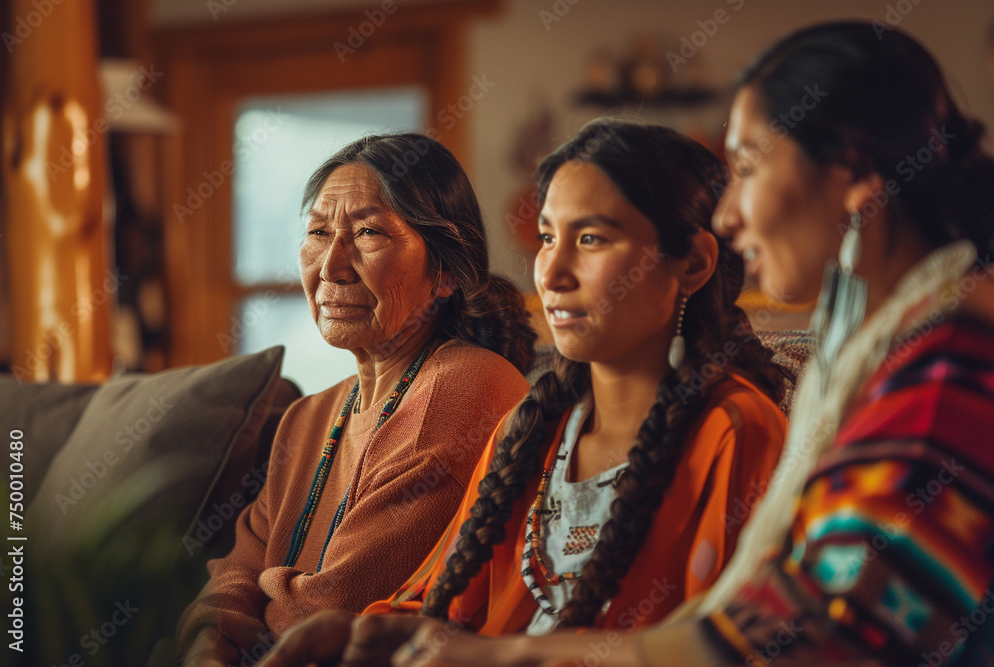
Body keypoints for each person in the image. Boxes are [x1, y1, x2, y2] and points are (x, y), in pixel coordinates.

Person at [342, 21, 994, 667]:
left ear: (850, 172)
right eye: (545, 236)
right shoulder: (905, 364)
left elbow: (819, 639)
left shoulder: (946, 384)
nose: (730, 212)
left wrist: (509, 656)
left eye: (745, 165)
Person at [260, 120, 791, 666]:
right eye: (547, 238)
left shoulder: (736, 431)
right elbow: (437, 603)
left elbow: (731, 647)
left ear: (694, 262)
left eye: (591, 239)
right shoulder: (534, 429)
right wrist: (365, 636)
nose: (552, 273)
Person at [176, 133, 537, 666]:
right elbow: (235, 572)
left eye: (368, 232)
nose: (331, 267)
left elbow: (341, 613)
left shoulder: (470, 387)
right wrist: (211, 642)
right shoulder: (308, 417)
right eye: (319, 232)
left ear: (444, 272)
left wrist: (255, 609)